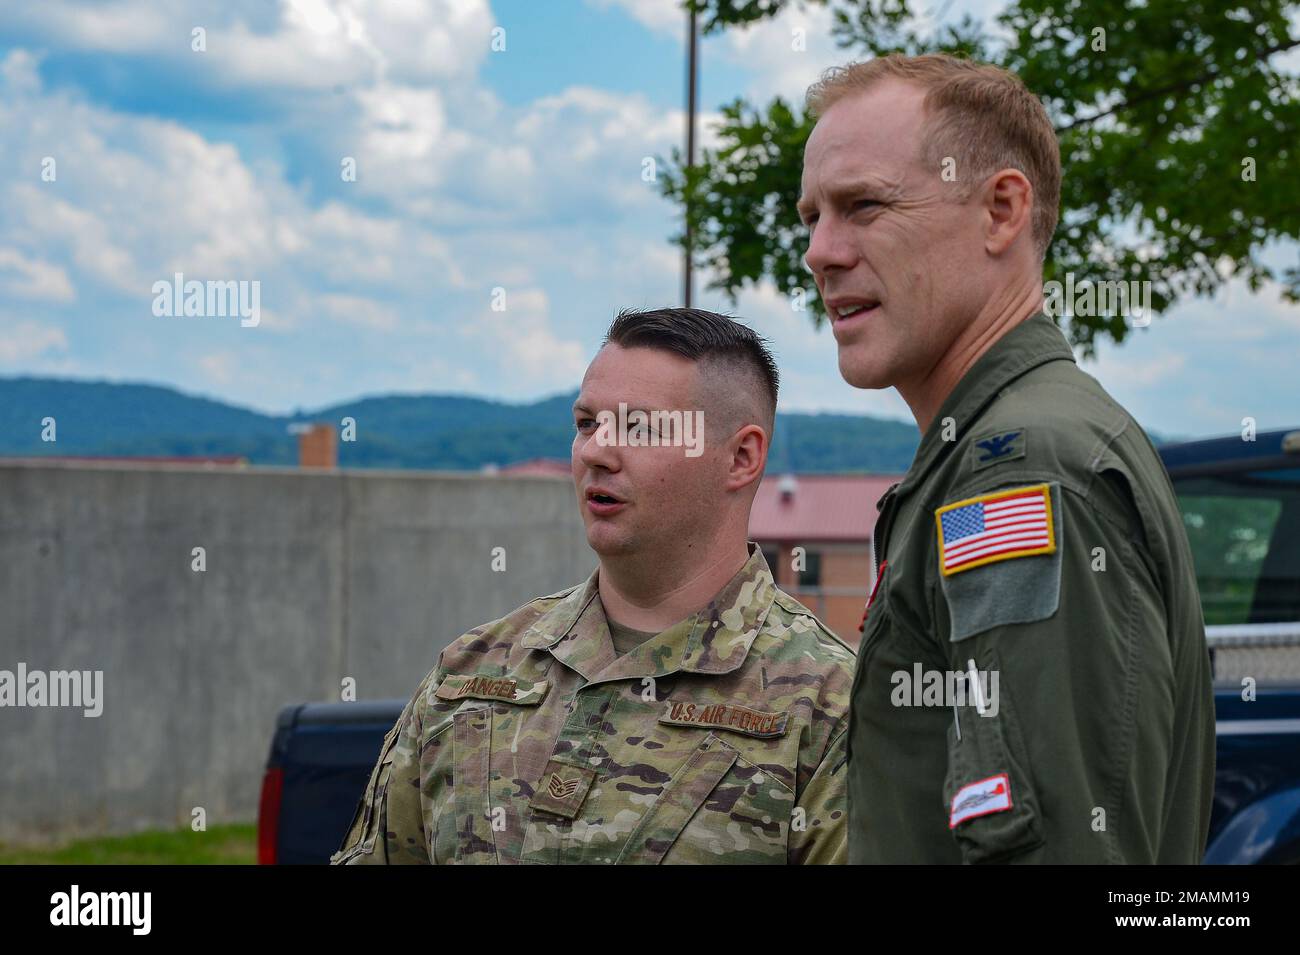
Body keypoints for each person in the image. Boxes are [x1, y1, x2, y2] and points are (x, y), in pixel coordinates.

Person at [796, 53, 1215, 863]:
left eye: (864, 206)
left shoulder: (1021, 468)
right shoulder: (1003, 445)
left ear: (1000, 211)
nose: (821, 251)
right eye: (812, 217)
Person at [332, 307, 855, 865]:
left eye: (640, 427)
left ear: (740, 458)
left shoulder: (829, 705)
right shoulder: (472, 673)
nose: (596, 452)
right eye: (586, 423)